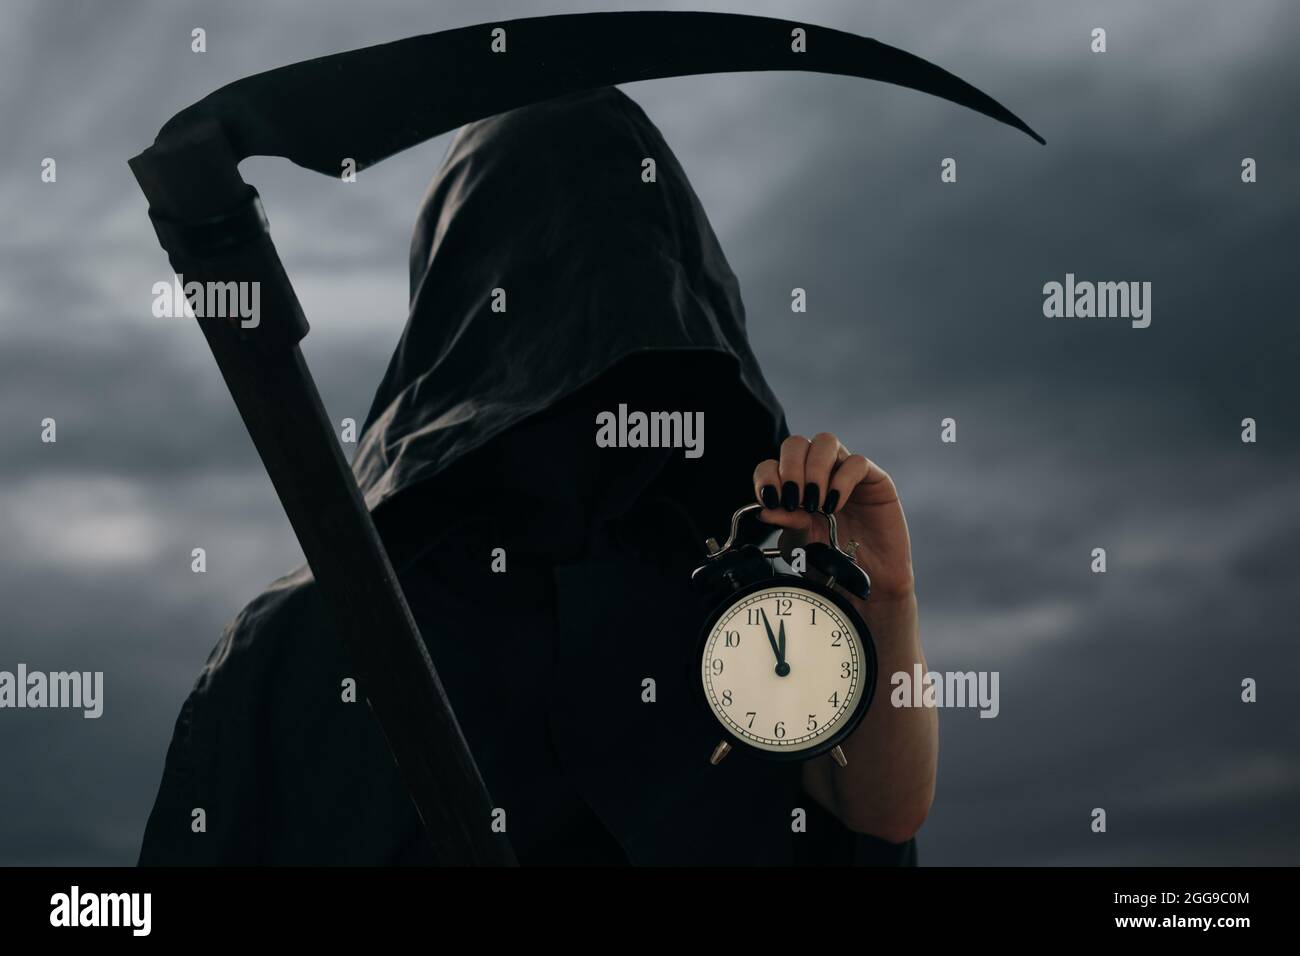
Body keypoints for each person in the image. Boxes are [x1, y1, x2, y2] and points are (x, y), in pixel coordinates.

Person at [138, 85, 936, 866]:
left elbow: (875, 822)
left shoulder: (746, 617)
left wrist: (886, 604)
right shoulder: (308, 639)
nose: (598, 389)